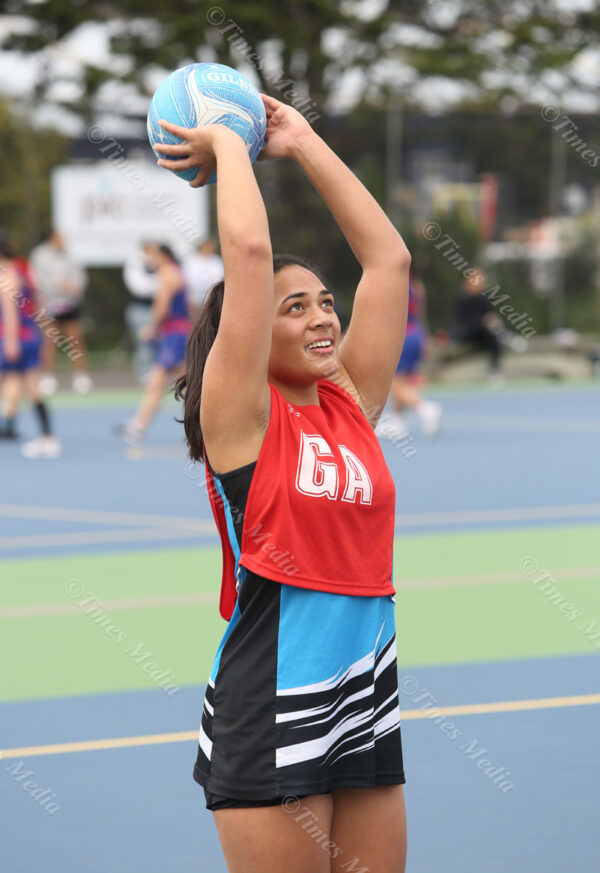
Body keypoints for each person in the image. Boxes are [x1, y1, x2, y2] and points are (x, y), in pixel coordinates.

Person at [157, 92, 410, 873]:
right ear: (251, 330)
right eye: (294, 308)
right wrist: (230, 144)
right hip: (272, 700)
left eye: (325, 303)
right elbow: (248, 253)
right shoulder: (241, 416)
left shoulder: (348, 403)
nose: (323, 317)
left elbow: (389, 262)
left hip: (364, 690)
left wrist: (301, 142)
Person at [116, 244, 191, 446]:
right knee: (186, 383)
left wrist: (151, 327)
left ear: (163, 256)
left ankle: (138, 427)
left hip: (173, 334)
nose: (150, 260)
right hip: (177, 332)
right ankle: (138, 425)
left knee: (158, 382)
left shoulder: (167, 274)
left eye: (154, 256)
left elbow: (162, 305)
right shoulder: (176, 272)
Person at [0, 240, 61, 458]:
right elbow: (36, 303)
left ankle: (45, 437)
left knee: (27, 387)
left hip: (18, 338)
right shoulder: (21, 271)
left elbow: (10, 313)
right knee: (24, 385)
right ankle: (45, 437)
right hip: (28, 336)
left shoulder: (7, 277)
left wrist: (11, 341)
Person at [376, 272, 442, 440]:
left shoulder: (389, 284)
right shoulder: (417, 285)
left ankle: (425, 408)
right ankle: (397, 422)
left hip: (402, 336)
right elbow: (420, 315)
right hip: (416, 334)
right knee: (402, 380)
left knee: (393, 382)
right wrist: (425, 337)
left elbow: (387, 315)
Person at [29, 230, 93, 395]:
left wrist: (74, 286)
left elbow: (80, 276)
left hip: (69, 302)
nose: (63, 242)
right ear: (53, 239)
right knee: (49, 341)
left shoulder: (71, 255)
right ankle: (48, 377)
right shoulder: (40, 255)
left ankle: (81, 376)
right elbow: (37, 278)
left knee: (75, 338)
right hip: (49, 301)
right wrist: (58, 285)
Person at [451, 268, 504, 384]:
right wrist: (483, 321)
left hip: (482, 333)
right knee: (482, 324)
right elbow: (463, 323)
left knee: (494, 335)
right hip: (465, 334)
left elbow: (489, 317)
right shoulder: (463, 298)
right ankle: (506, 337)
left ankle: (494, 370)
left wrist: (492, 322)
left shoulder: (484, 298)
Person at [123, 240, 159, 384]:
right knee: (144, 344)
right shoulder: (135, 263)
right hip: (141, 309)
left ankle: (156, 375)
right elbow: (140, 288)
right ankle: (145, 375)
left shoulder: (158, 264)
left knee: (160, 344)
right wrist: (159, 285)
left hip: (158, 308)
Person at [182, 237, 224, 320]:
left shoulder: (216, 260)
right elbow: (187, 280)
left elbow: (220, 277)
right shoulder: (191, 261)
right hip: (194, 300)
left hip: (212, 299)